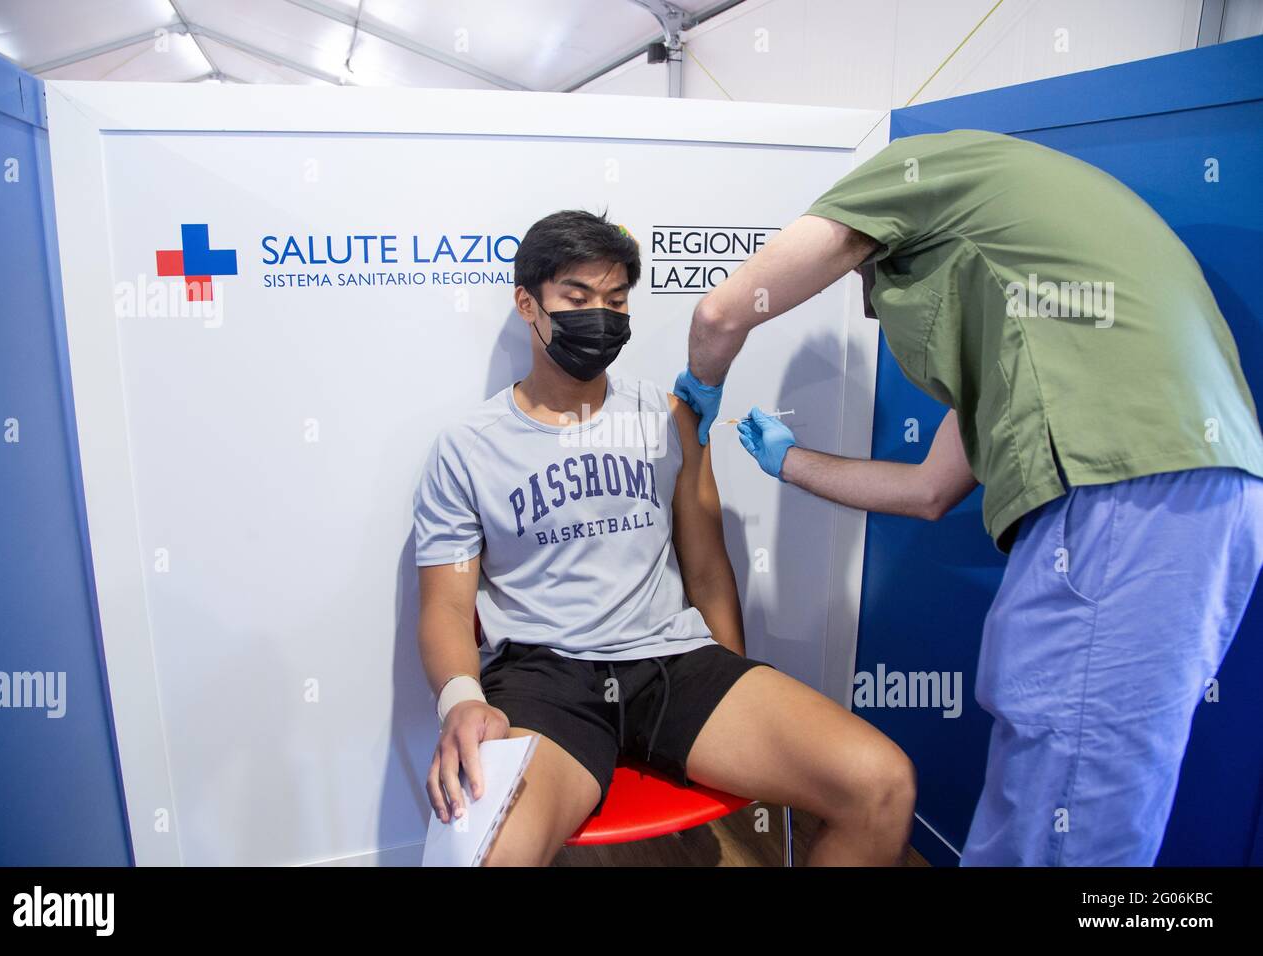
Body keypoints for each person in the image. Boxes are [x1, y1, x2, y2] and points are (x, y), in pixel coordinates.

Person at [673, 129, 1263, 866]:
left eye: (879, 305)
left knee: (1066, 819)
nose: (882, 324)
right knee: (1056, 784)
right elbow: (929, 489)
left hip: (1129, 497)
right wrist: (790, 463)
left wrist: (699, 389)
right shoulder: (1036, 305)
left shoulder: (902, 176)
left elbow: (720, 314)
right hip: (1177, 497)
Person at [413, 209, 916, 866]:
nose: (601, 315)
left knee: (881, 784)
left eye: (616, 300)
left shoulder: (667, 416)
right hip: (545, 680)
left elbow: (706, 566)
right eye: (578, 297)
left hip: (673, 664)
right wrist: (461, 700)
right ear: (527, 303)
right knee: (482, 857)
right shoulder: (467, 449)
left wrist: (731, 672)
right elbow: (447, 606)